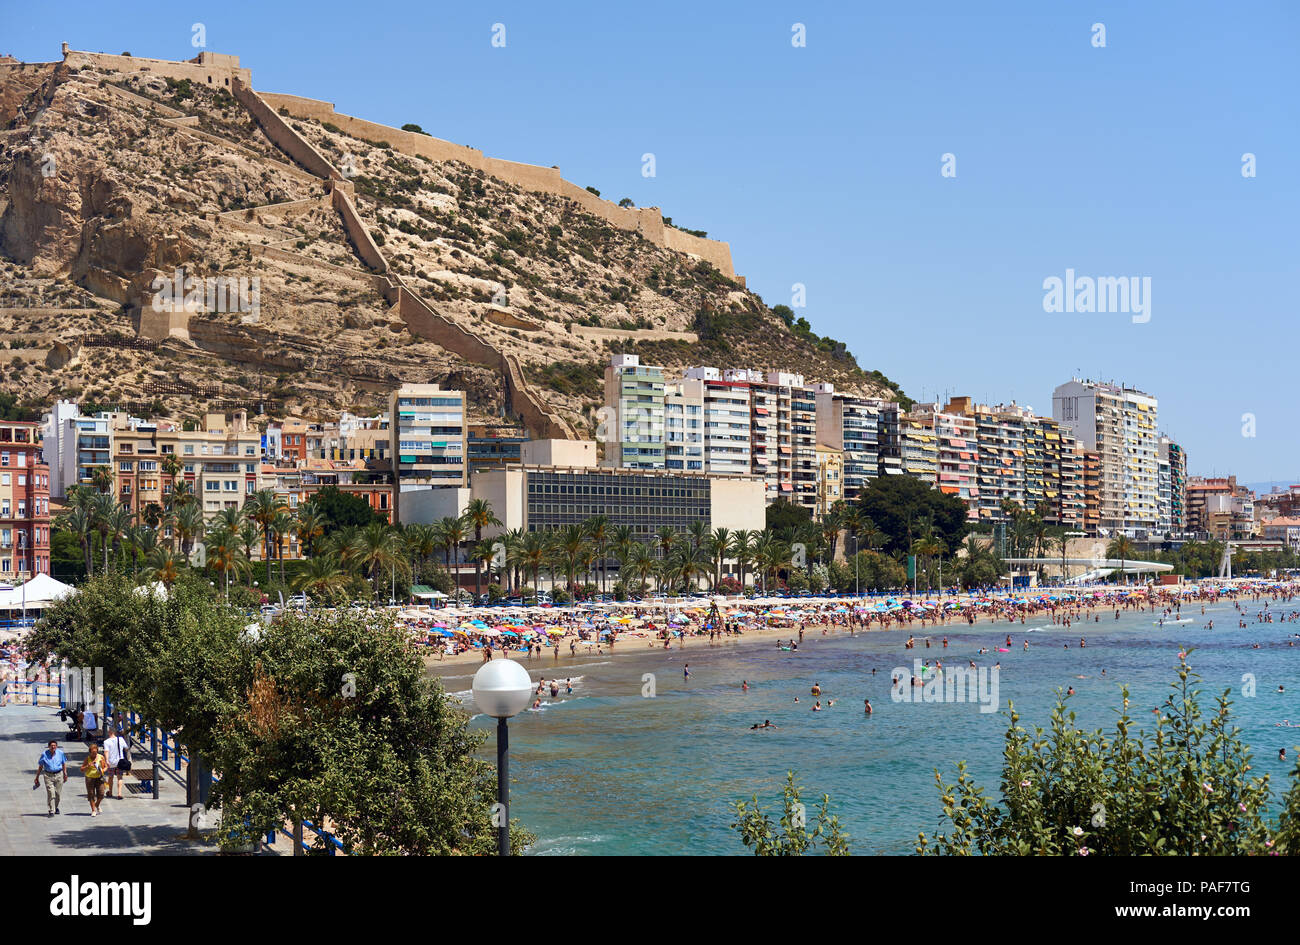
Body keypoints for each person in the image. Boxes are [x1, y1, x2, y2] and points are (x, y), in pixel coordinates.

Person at [34, 740, 68, 816]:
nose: (53, 747)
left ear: (56, 746)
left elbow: (63, 764)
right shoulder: (44, 754)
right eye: (51, 746)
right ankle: (51, 809)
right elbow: (40, 766)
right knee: (51, 792)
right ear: (49, 746)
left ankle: (56, 807)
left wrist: (65, 774)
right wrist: (37, 777)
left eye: (54, 745)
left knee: (57, 793)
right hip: (48, 775)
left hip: (59, 774)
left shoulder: (60, 753)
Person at [103, 728, 131, 800]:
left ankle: (110, 792)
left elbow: (106, 752)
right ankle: (119, 793)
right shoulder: (120, 739)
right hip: (120, 762)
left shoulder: (106, 742)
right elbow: (126, 748)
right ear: (115, 733)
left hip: (111, 762)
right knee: (120, 777)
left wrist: (107, 761)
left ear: (109, 732)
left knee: (110, 777)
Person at [80, 743, 107, 816]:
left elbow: (106, 767)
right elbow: (81, 769)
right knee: (91, 794)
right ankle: (93, 810)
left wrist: (102, 770)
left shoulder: (101, 757)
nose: (94, 754)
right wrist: (88, 766)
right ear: (90, 752)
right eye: (93, 752)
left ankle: (97, 804)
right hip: (90, 778)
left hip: (99, 777)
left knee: (101, 794)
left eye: (96, 752)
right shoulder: (87, 759)